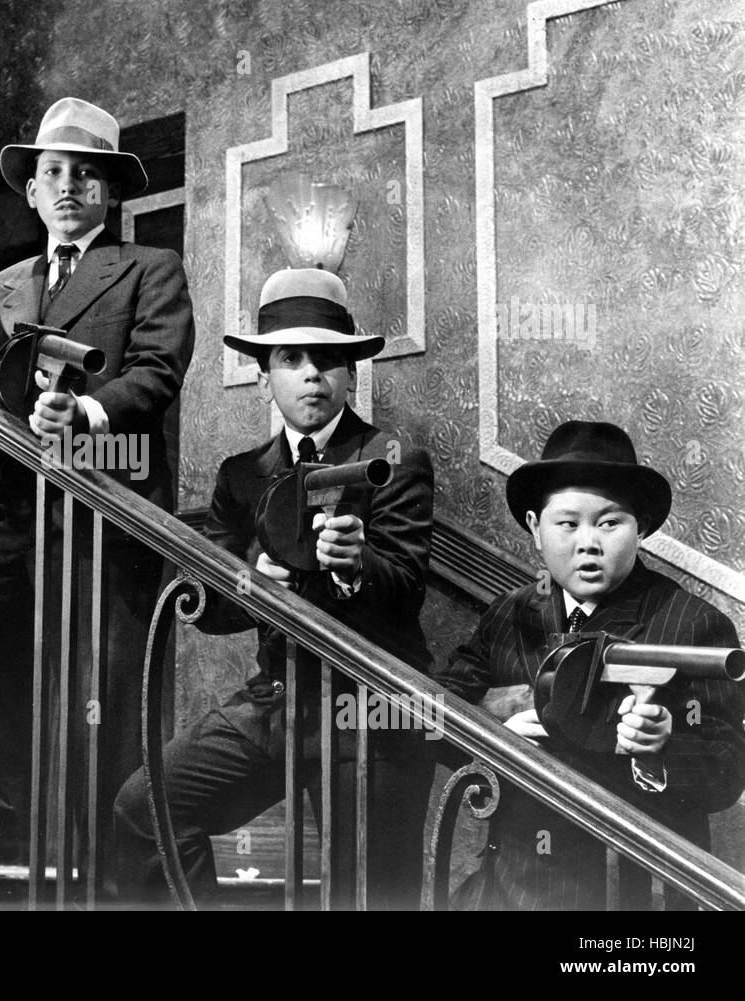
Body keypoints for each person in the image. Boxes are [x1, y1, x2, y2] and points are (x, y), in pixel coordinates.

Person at [0, 97, 195, 868]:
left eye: (85, 175)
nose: (67, 187)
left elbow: (158, 370)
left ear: (111, 191)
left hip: (104, 513)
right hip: (2, 521)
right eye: (51, 173)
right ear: (31, 191)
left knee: (97, 701)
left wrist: (90, 411)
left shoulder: (149, 269)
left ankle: (102, 872)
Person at [113, 267, 435, 908]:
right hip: (280, 700)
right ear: (266, 373)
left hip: (373, 705)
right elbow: (204, 606)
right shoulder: (242, 475)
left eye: (327, 359)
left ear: (349, 373)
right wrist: (251, 584)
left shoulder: (393, 458)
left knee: (364, 893)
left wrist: (354, 564)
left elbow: (406, 589)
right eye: (291, 358)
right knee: (143, 807)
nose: (310, 374)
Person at [432, 420, 745, 910]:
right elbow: (434, 710)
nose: (588, 542)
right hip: (506, 887)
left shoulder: (694, 625)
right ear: (536, 529)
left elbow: (727, 770)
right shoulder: (511, 612)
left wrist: (660, 749)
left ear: (641, 527)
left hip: (631, 896)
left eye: (609, 523)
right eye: (567, 523)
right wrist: (501, 720)